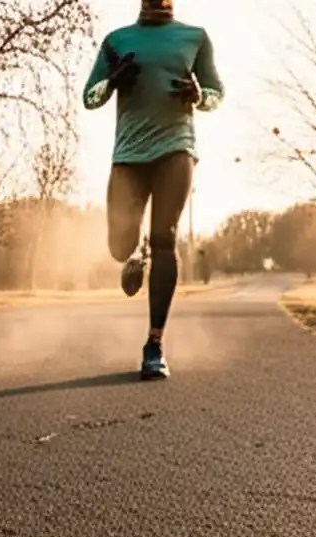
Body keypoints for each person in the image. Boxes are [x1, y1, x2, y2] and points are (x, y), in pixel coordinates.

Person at [82, 0, 223, 380]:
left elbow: (216, 94)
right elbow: (89, 97)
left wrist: (198, 95)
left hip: (176, 150)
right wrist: (112, 82)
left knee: (165, 236)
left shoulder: (195, 38)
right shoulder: (117, 41)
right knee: (119, 247)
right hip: (128, 155)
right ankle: (135, 256)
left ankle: (154, 345)